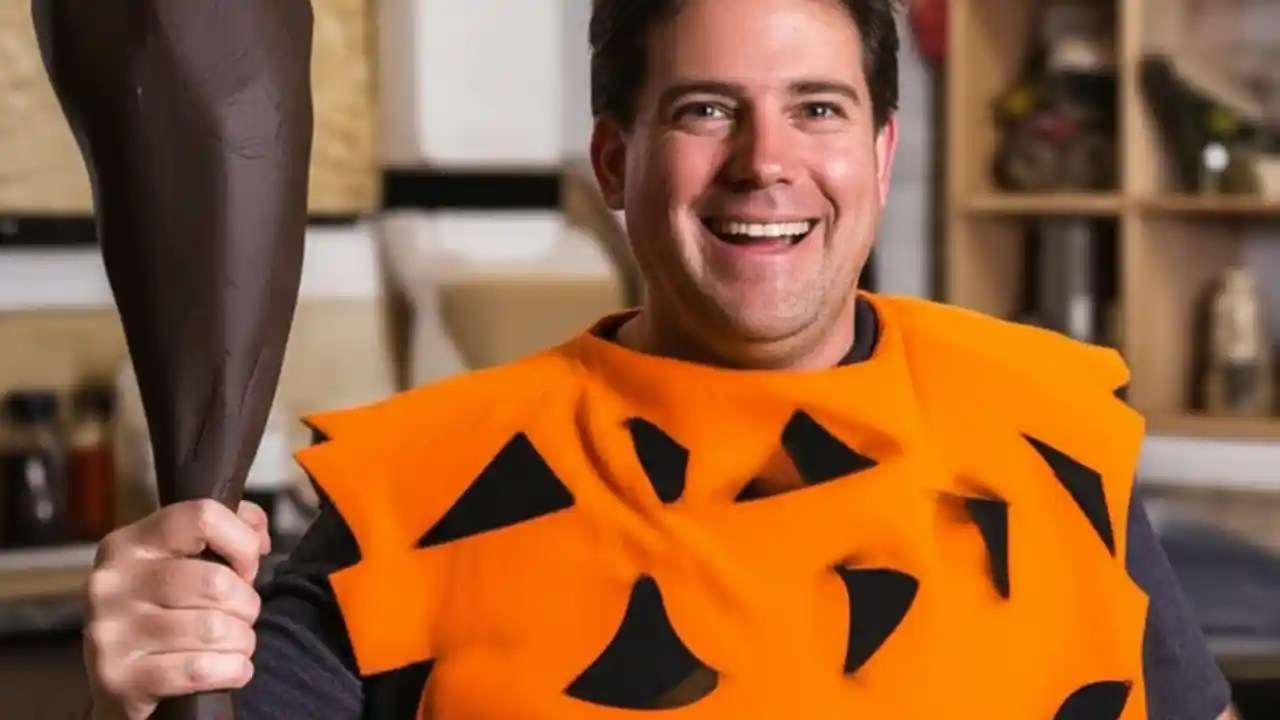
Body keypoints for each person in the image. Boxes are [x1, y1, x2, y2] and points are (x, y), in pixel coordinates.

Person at [82, 0, 1237, 717]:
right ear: (613, 161)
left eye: (818, 110)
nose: (764, 162)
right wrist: (134, 696)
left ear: (881, 157)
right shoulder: (422, 496)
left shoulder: (1049, 427)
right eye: (703, 110)